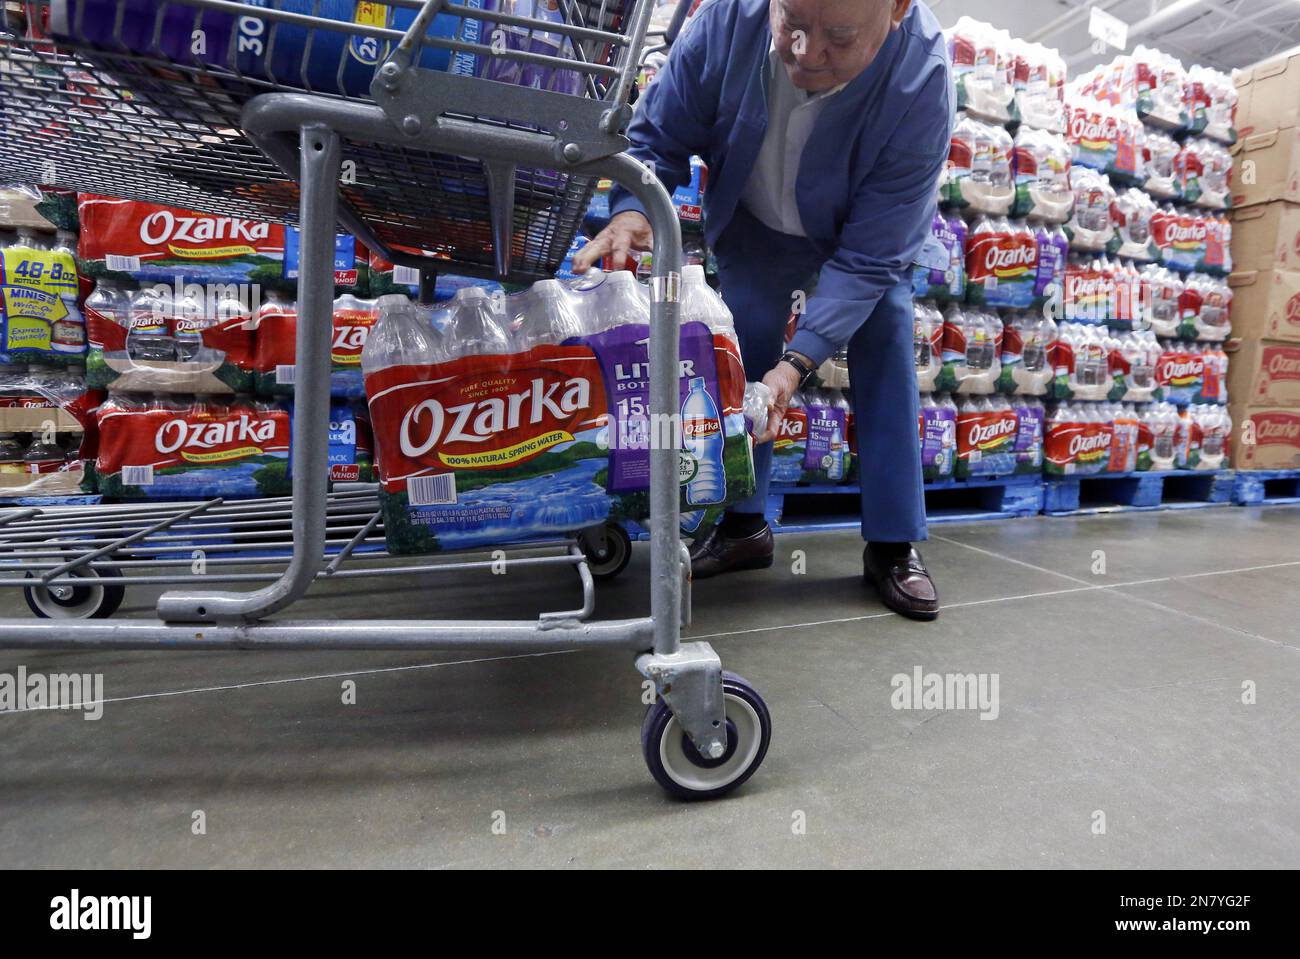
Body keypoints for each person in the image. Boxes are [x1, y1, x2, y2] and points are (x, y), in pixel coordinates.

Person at [574, 0, 952, 620]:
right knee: (741, 347)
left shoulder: (922, 76)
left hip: (860, 236)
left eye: (838, 36)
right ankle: (744, 525)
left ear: (898, 10)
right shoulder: (727, 17)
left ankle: (893, 541)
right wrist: (634, 208)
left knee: (883, 344)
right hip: (755, 222)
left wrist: (798, 365)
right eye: (793, 24)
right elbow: (660, 133)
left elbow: (868, 259)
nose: (806, 52)